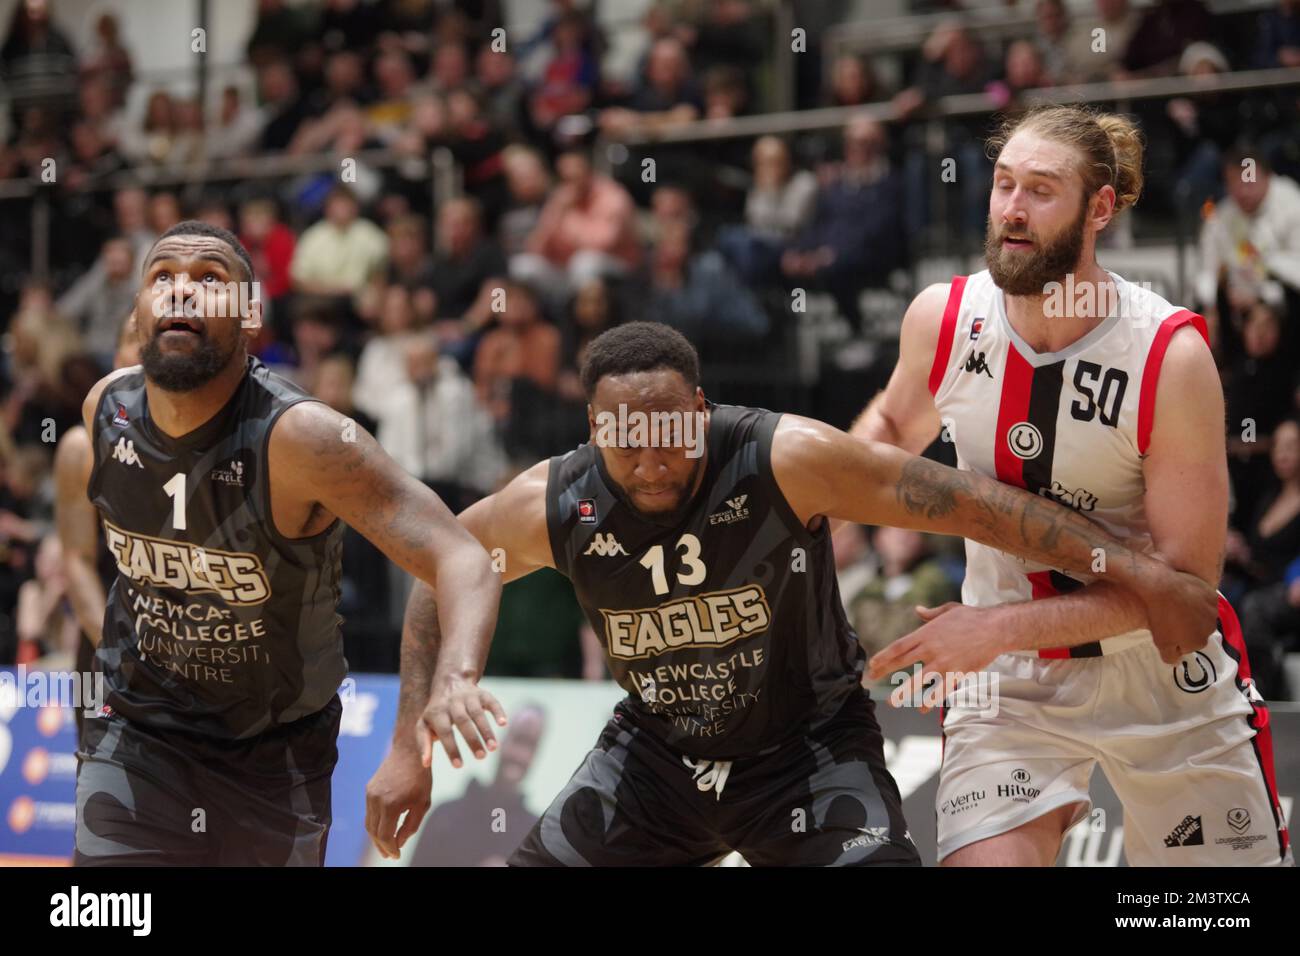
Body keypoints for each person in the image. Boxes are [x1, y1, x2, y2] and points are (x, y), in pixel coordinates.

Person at [365, 320, 1217, 867]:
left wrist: (1141, 572)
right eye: (628, 444)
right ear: (595, 429)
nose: (653, 464)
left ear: (701, 409)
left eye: (672, 436)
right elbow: (442, 568)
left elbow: (970, 503)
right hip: (655, 761)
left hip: (807, 751)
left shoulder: (784, 460)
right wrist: (408, 746)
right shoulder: (553, 501)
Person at [854, 105, 1291, 867]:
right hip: (1011, 685)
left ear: (1100, 208)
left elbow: (1185, 590)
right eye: (1003, 185)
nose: (1012, 210)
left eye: (1041, 190)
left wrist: (991, 629)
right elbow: (890, 427)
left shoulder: (1168, 355)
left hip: (1159, 669)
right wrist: (801, 529)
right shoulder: (946, 318)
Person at [70, 220, 501, 865]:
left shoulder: (304, 438)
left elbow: (462, 555)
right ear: (136, 313)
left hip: (275, 753)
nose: (181, 291)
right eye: (161, 277)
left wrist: (446, 694)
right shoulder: (105, 409)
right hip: (138, 732)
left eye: (209, 278)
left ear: (251, 316)